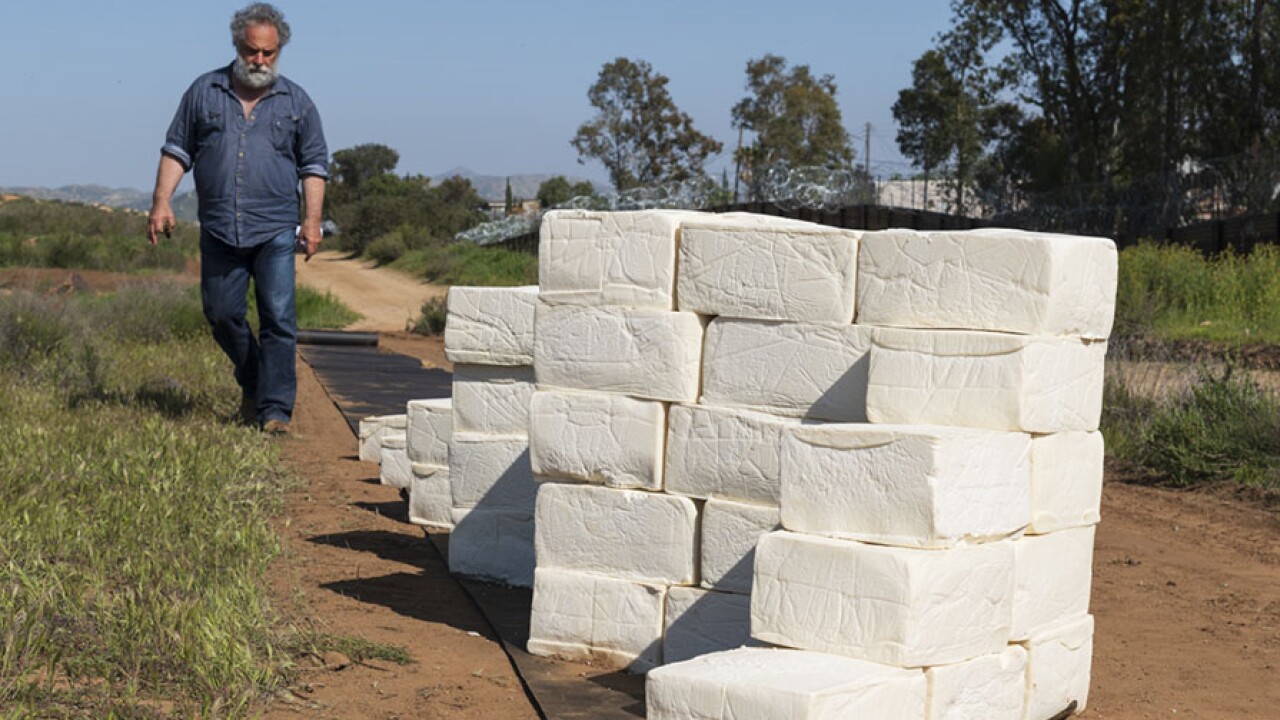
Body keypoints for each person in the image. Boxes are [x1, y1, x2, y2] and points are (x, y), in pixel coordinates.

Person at [147, 3, 328, 435]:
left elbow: (314, 165)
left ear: (279, 50)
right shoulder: (203, 91)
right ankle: (255, 377)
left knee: (279, 319)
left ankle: (275, 412)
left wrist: (313, 221)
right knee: (221, 314)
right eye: (252, 52)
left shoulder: (297, 102)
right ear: (237, 46)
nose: (259, 61)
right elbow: (177, 150)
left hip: (276, 228)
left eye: (268, 53)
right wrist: (161, 202)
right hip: (220, 227)